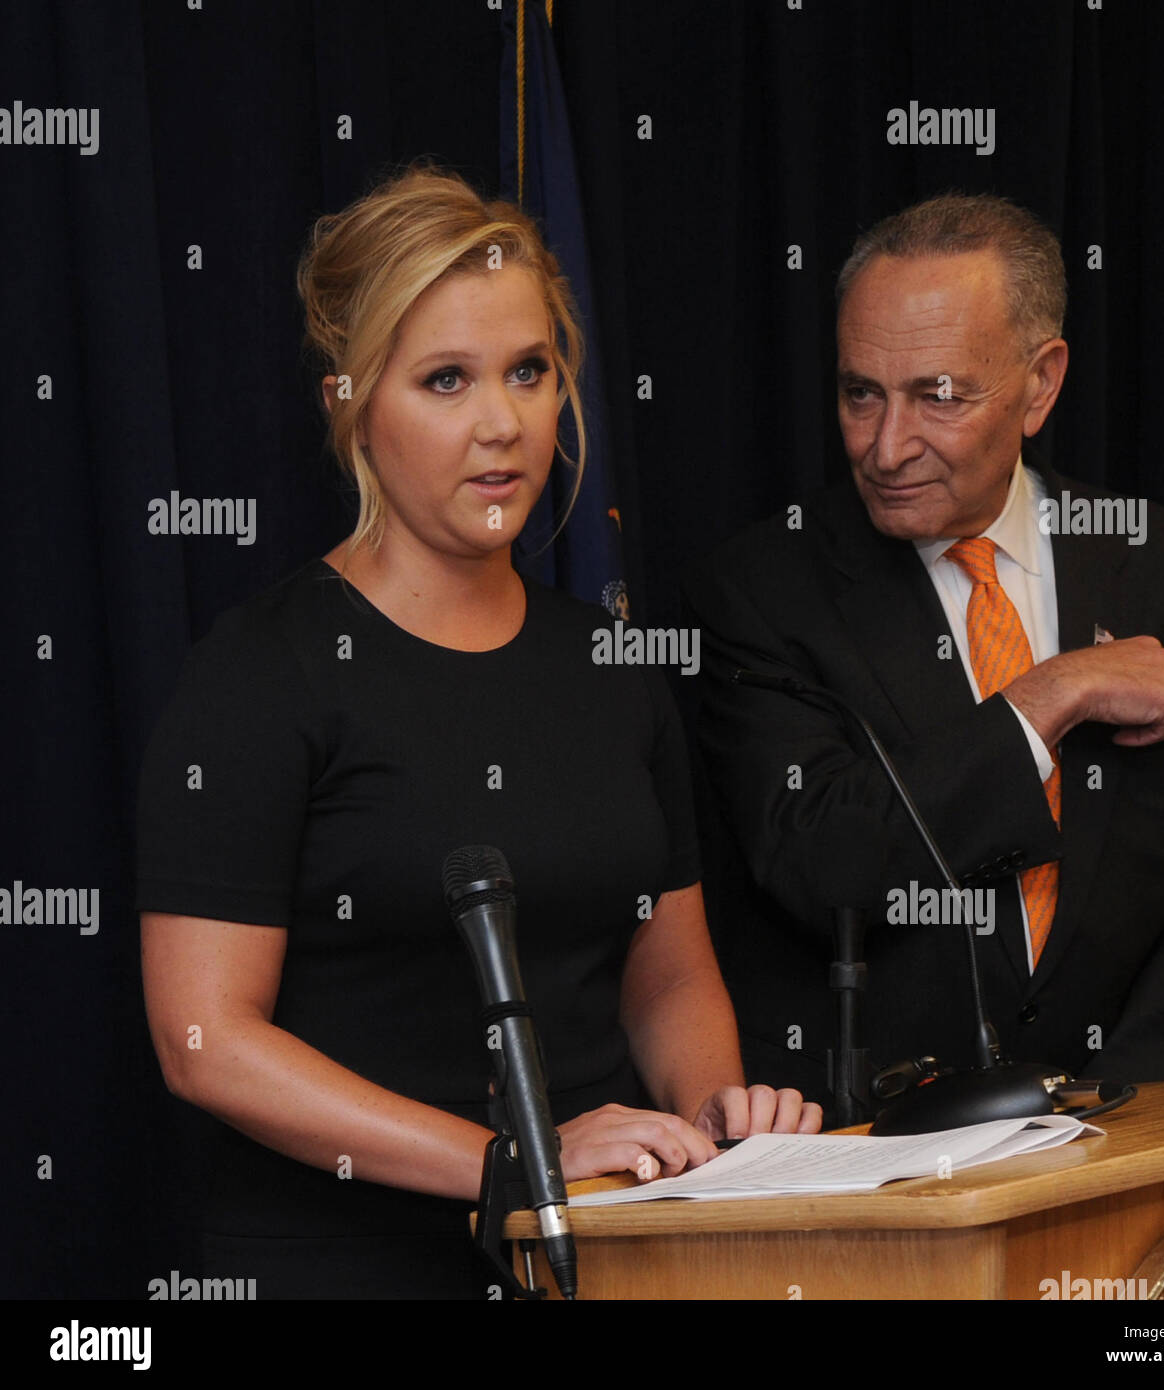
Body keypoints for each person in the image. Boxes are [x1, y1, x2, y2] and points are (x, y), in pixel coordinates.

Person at [137, 162, 820, 1300]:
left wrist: (715, 1119)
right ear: (351, 401)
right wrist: (513, 1166)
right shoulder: (260, 675)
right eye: (445, 379)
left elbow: (667, 979)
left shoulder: (610, 665)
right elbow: (203, 1042)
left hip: (599, 1256)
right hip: (346, 1268)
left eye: (528, 371)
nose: (500, 423)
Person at [686, 194, 1164, 1108]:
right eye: (860, 395)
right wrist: (1045, 698)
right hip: (874, 1158)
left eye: (938, 396)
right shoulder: (764, 589)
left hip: (1131, 1149)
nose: (887, 448)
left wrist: (1111, 1111)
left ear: (1040, 384)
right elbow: (825, 864)